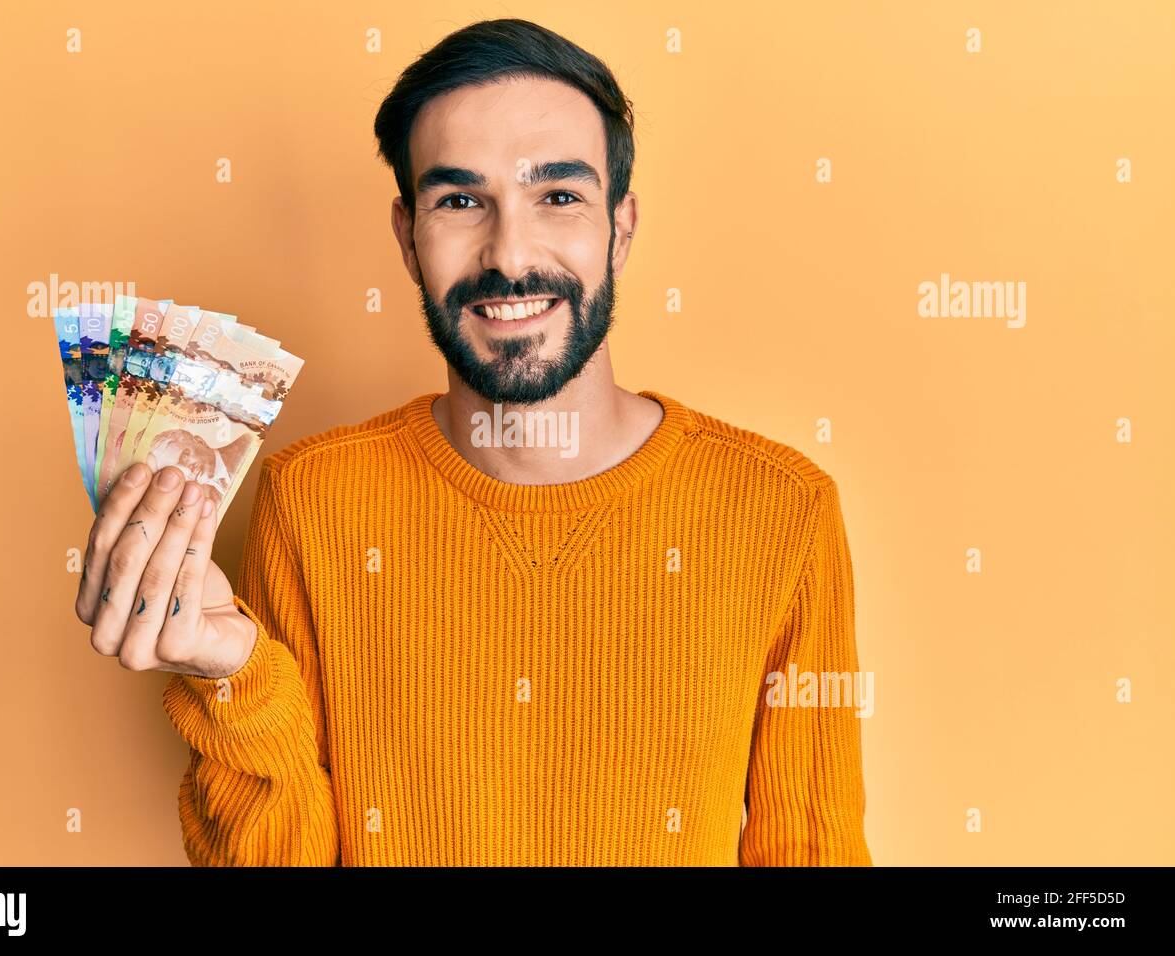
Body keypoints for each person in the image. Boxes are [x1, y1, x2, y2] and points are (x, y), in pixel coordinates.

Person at [74, 17, 872, 867]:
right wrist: (226, 676)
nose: (509, 252)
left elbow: (813, 851)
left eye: (558, 196)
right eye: (460, 201)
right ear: (408, 238)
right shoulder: (311, 498)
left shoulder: (782, 510)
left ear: (622, 227)